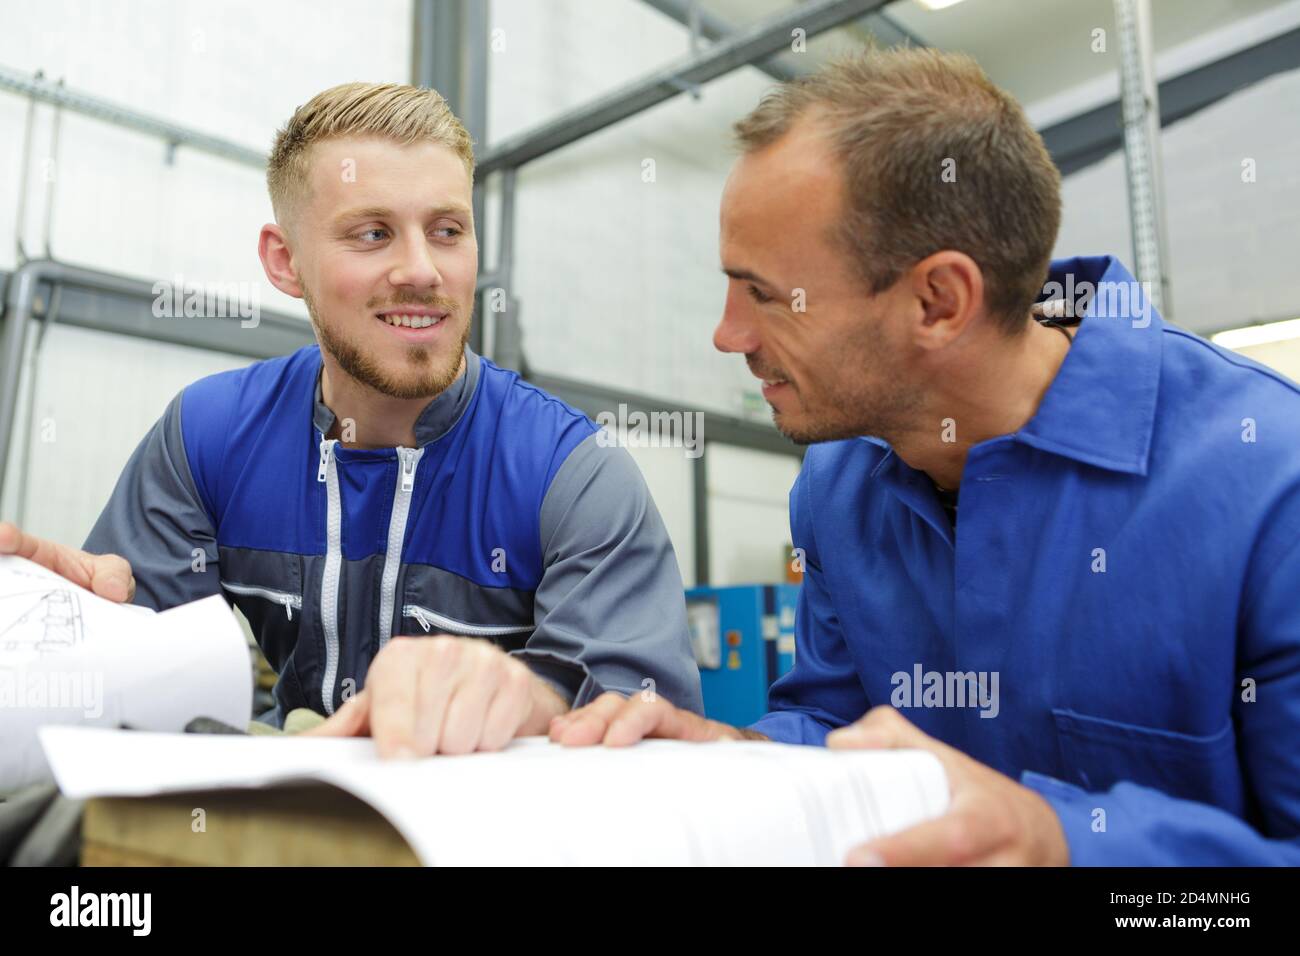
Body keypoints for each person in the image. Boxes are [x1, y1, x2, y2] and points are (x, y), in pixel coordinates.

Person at [552, 48, 1300, 866]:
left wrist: (1068, 849)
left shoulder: (1268, 486)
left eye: (765, 294)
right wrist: (731, 756)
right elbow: (836, 732)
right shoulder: (837, 488)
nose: (728, 335)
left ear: (939, 302)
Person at [4, 81, 702, 757]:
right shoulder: (206, 436)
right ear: (286, 262)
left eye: (448, 230)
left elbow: (645, 741)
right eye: (373, 233)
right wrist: (45, 636)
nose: (423, 270)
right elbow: (123, 705)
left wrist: (530, 702)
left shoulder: (571, 474)